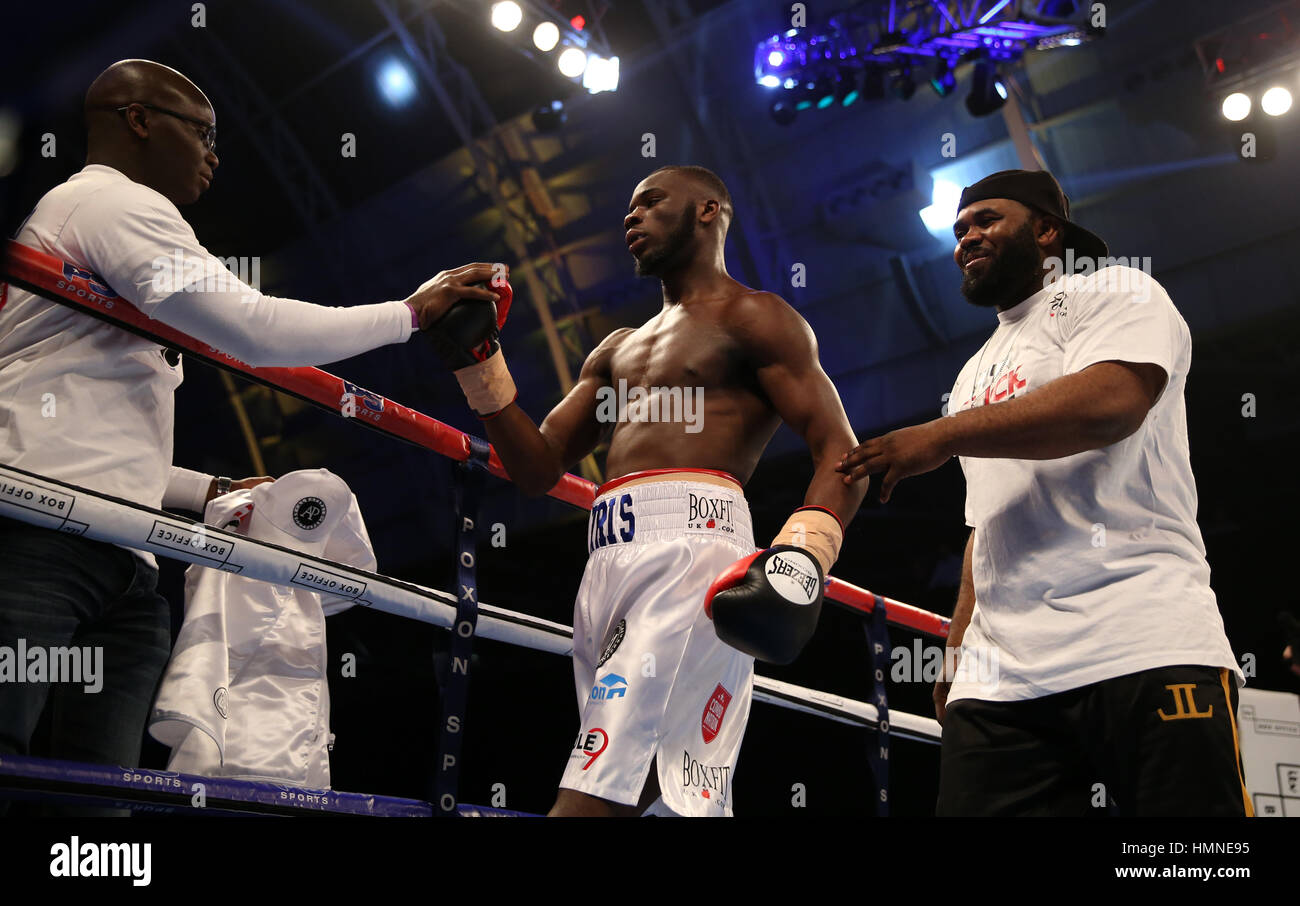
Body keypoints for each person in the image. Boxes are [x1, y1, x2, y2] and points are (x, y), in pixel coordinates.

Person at [0, 59, 498, 774]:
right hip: (41, 531)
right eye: (201, 131)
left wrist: (203, 489)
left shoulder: (113, 225)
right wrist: (410, 315)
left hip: (122, 549)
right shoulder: (109, 206)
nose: (214, 152)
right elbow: (252, 330)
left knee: (95, 796)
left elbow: (95, 430)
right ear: (138, 121)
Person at [424, 165, 867, 816]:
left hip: (695, 560)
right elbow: (538, 467)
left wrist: (803, 556)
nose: (632, 217)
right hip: (606, 563)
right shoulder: (615, 351)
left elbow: (840, 449)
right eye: (629, 207)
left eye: (653, 202)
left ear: (708, 211)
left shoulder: (757, 318)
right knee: (663, 796)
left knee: (605, 782)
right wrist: (480, 360)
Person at [836, 169, 1250, 816]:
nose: (967, 237)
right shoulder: (974, 372)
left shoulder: (1117, 291)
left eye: (988, 220)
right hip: (1003, 679)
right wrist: (957, 652)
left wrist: (941, 436)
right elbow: (986, 524)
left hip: (1144, 637)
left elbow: (1112, 404)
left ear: (1047, 230)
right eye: (960, 229)